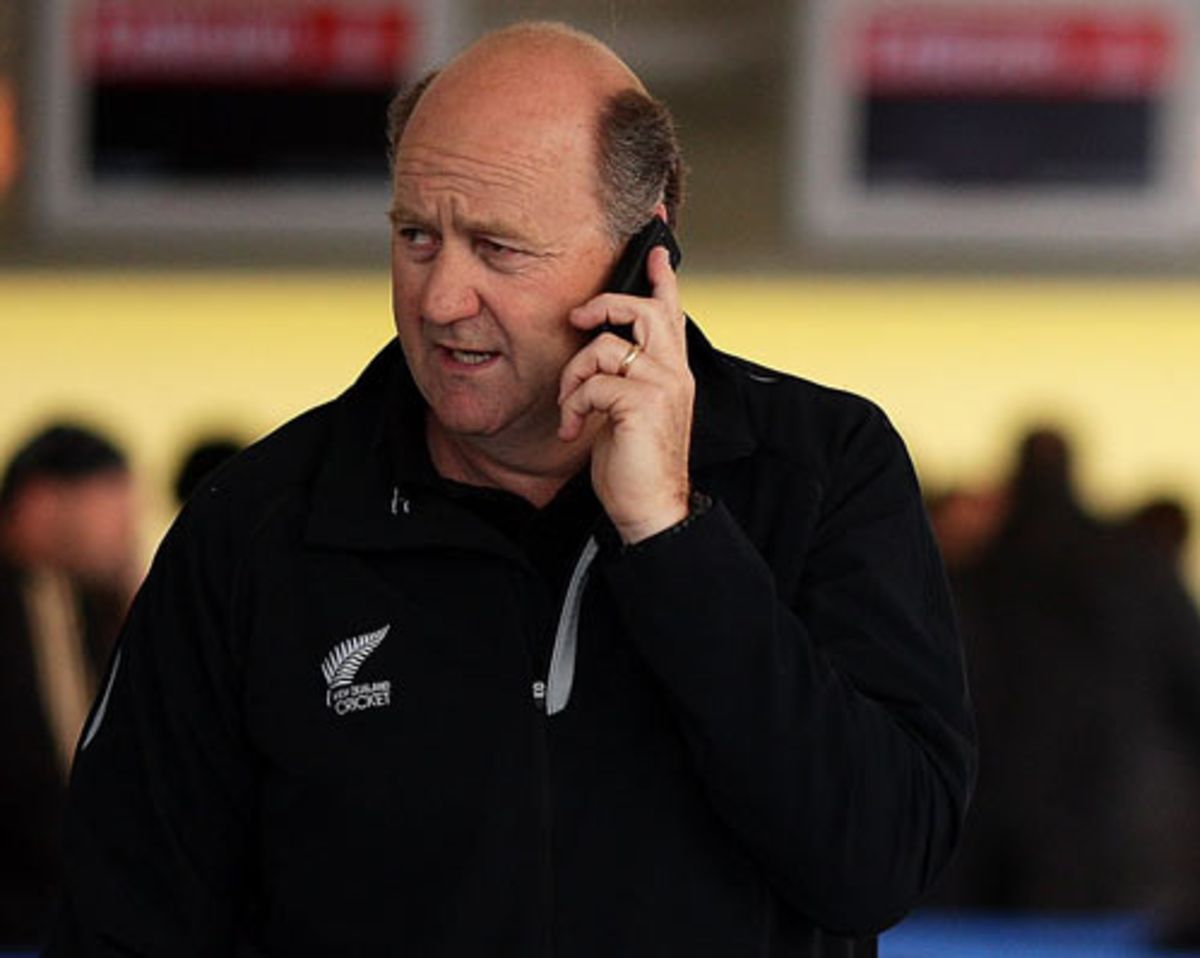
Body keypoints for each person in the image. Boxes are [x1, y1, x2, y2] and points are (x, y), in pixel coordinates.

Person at [47, 22, 975, 957]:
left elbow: (875, 862)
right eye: (417, 236)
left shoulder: (819, 471)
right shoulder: (258, 528)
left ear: (645, 251)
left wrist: (669, 533)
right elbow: (122, 918)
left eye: (498, 248)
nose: (441, 298)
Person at [0, 423, 138, 947]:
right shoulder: (24, 606)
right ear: (38, 504)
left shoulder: (87, 605)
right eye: (113, 511)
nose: (128, 529)